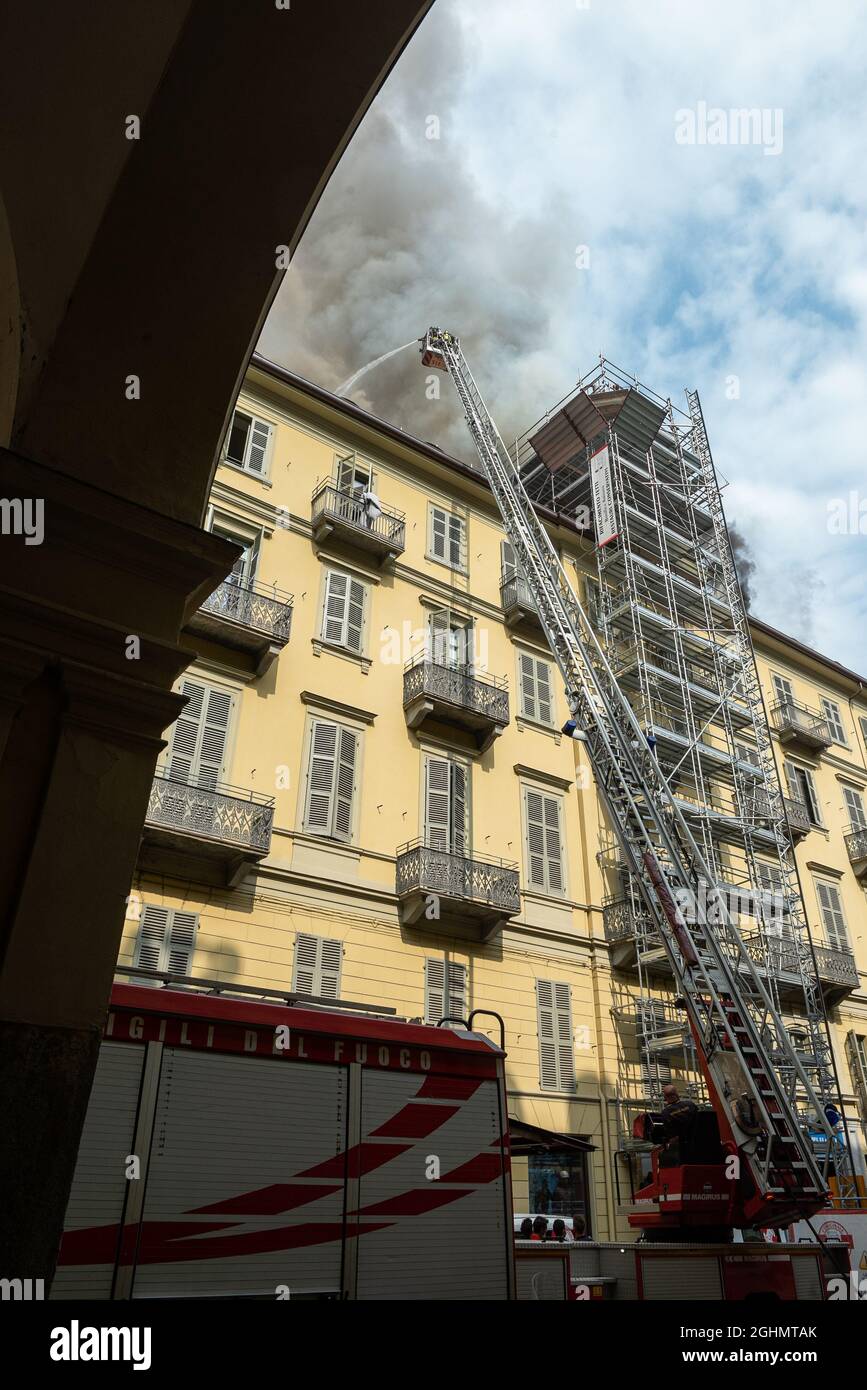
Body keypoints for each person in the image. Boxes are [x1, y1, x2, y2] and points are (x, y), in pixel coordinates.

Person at [659, 1084, 698, 1166]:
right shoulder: (691, 1105)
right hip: (699, 1146)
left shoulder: (666, 1113)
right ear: (677, 1093)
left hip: (683, 1152)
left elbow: (672, 1137)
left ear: (665, 1097)